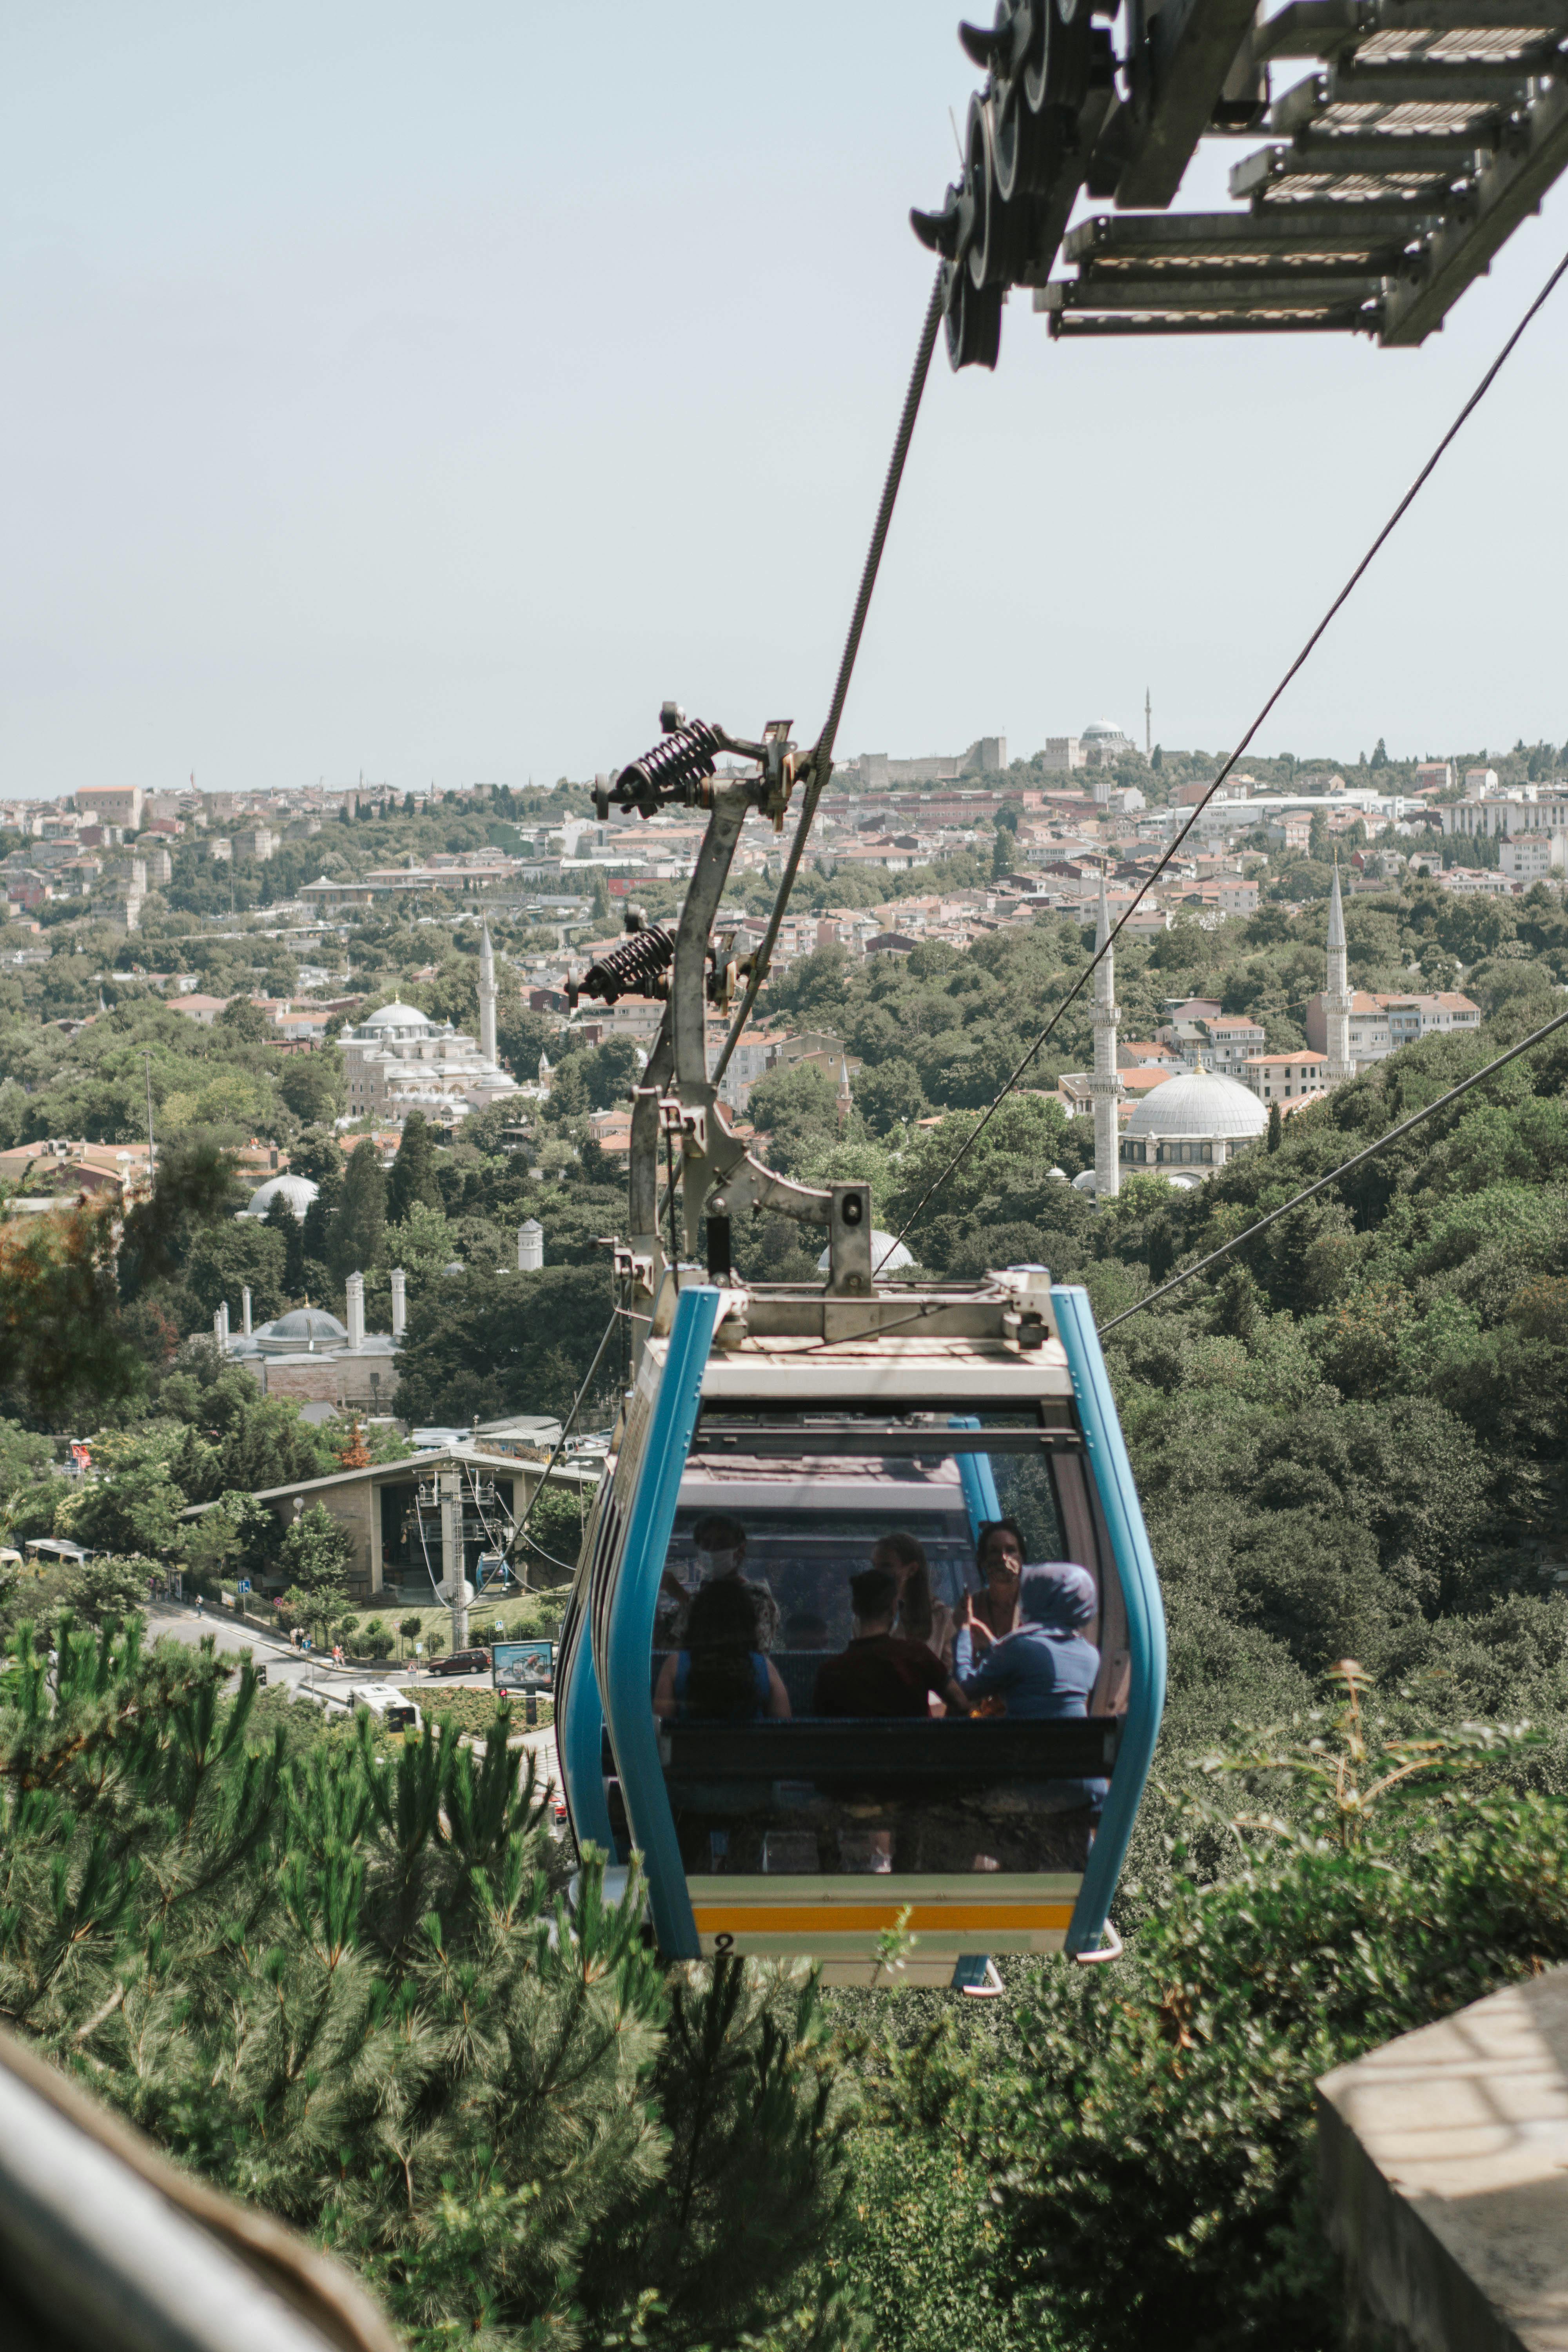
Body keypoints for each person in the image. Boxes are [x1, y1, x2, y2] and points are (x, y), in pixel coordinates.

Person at [813, 1567, 973, 1720]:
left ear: (855, 1608)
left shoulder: (831, 1673)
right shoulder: (917, 1657)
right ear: (893, 1608)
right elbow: (961, 1703)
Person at [959, 1562, 1101, 1722]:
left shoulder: (1021, 1647)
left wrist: (964, 1630)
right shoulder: (1091, 1655)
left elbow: (968, 1687)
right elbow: (1034, 1675)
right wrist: (992, 1646)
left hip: (1026, 1739)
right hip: (1073, 1739)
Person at [654, 1578, 791, 1722]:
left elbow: (660, 1725)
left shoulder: (675, 1666)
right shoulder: (764, 1668)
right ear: (747, 1622)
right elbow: (785, 1726)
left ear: (697, 1620)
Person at [666, 1513, 780, 1652]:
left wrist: (682, 1597)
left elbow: (743, 1652)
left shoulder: (759, 1600)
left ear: (740, 1550)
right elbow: (669, 1646)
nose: (713, 1551)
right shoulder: (700, 1596)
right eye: (707, 1544)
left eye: (722, 1544)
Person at [872, 1531, 956, 1671]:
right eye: (875, 1566)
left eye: (886, 1567)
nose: (877, 1574)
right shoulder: (868, 1616)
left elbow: (950, 1674)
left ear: (912, 1569)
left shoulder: (943, 1618)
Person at [953, 1517, 1025, 1675]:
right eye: (994, 1551)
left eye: (1011, 1550)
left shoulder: (1037, 1604)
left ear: (1022, 1558)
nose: (1003, 1558)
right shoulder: (972, 1607)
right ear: (983, 1560)